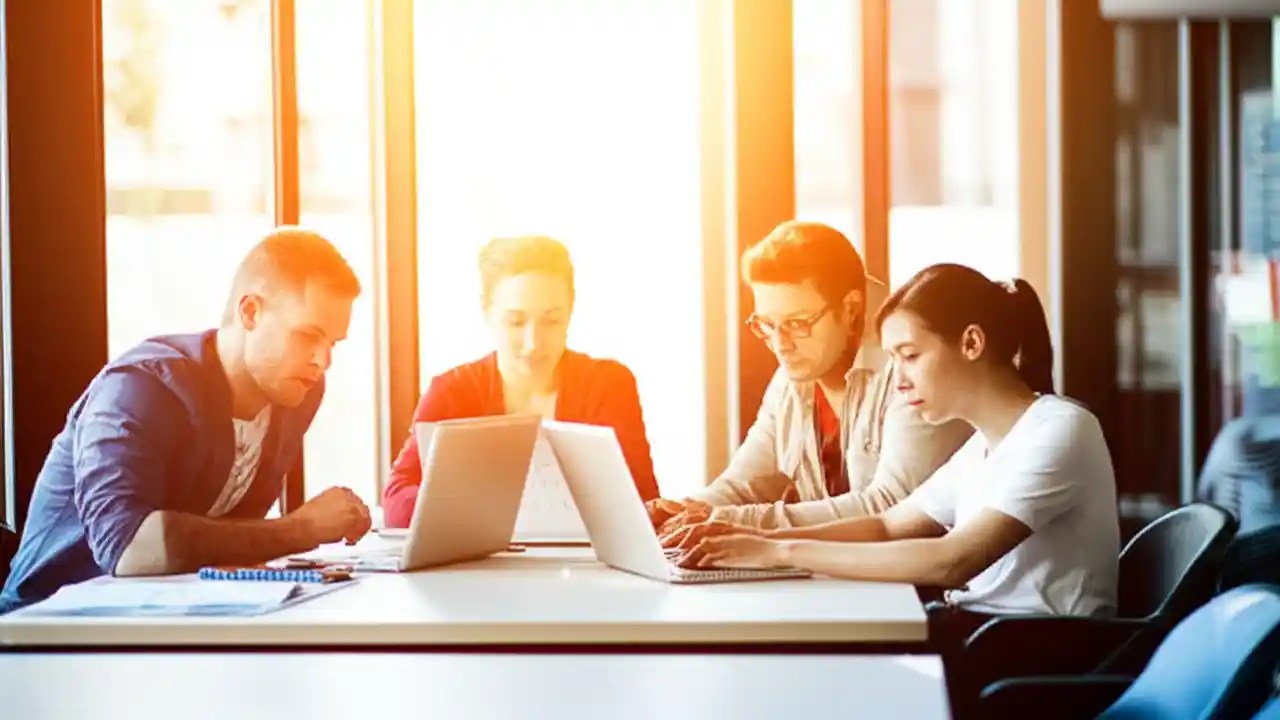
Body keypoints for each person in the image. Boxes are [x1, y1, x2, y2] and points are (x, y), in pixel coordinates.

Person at [671, 264, 1120, 699]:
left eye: (910, 356)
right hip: (981, 637)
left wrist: (776, 550)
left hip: (1032, 657)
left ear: (971, 342)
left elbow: (953, 560)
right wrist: (753, 537)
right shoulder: (984, 444)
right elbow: (888, 525)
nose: (899, 381)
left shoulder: (1060, 429)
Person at [0, 228, 373, 612]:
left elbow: (234, 536)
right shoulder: (143, 387)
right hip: (46, 633)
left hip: (176, 622)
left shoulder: (297, 392)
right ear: (250, 312)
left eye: (332, 343)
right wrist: (303, 529)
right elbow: (126, 547)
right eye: (308, 335)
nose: (322, 360)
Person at [647, 221, 969, 533]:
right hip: (839, 577)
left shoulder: (908, 372)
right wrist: (682, 511)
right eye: (767, 325)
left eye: (798, 323)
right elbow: (740, 487)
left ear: (851, 309)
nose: (780, 344)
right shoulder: (792, 379)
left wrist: (726, 520)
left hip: (913, 584)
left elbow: (891, 507)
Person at [382, 235, 659, 527]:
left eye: (552, 321)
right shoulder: (453, 392)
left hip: (585, 569)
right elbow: (396, 501)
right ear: (486, 312)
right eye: (515, 322)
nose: (533, 343)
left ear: (571, 311)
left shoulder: (607, 384)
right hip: (480, 569)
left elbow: (644, 502)